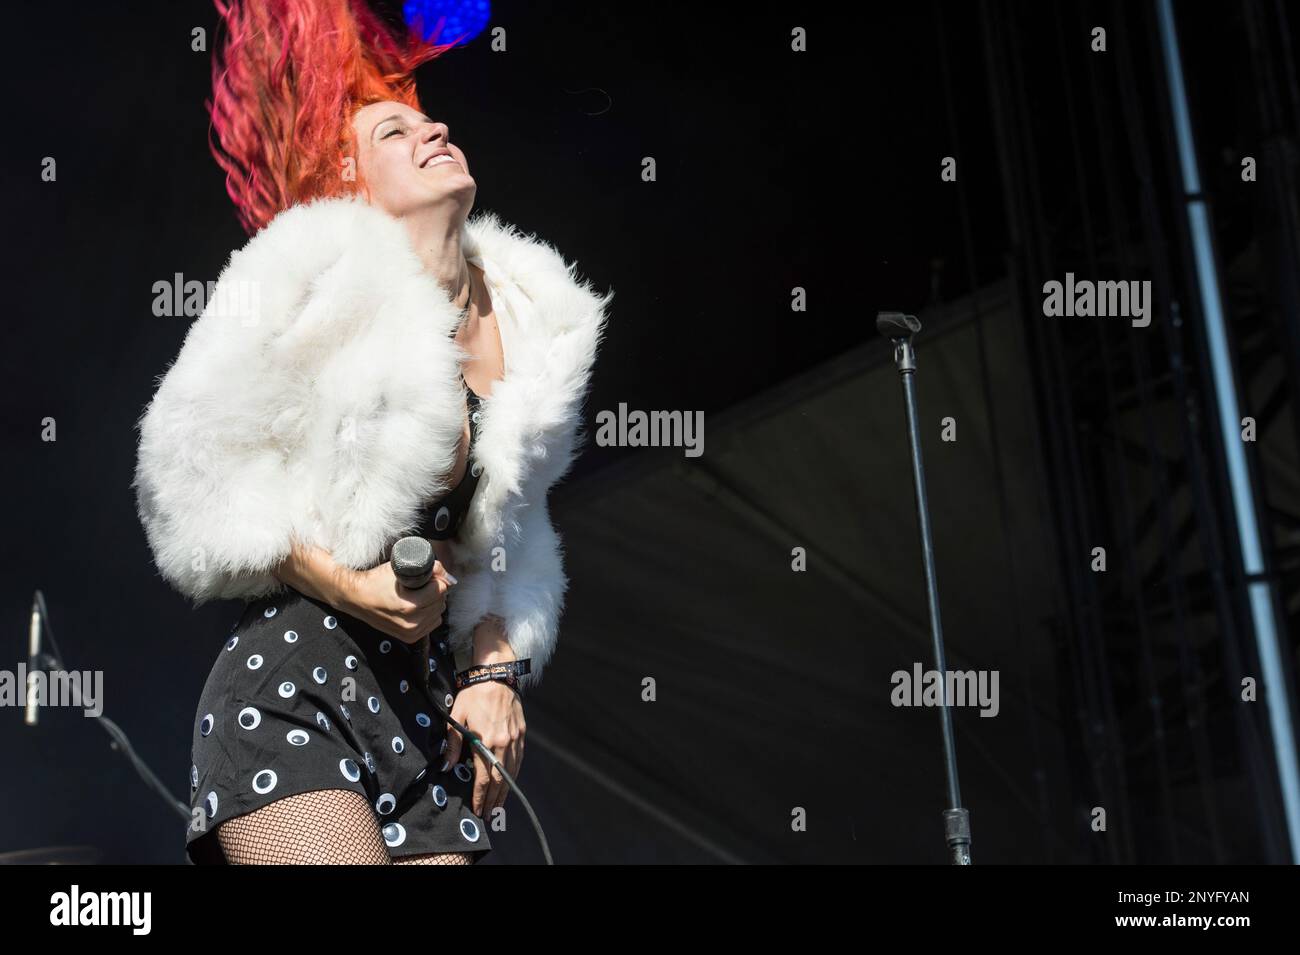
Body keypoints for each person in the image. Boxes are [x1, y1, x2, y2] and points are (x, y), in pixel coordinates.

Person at [132, 0, 613, 864]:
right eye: (395, 130)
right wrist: (347, 587)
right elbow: (186, 470)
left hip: (422, 713)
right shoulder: (310, 272)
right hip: (290, 687)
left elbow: (508, 541)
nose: (434, 131)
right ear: (349, 181)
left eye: (432, 121)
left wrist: (496, 668)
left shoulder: (533, 319)